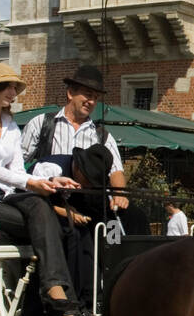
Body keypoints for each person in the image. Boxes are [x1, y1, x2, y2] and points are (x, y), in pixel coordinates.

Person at [0, 62, 84, 316]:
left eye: (15, 87)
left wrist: (49, 180)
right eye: (8, 86)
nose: (13, 92)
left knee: (51, 215)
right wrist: (34, 184)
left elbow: (16, 169)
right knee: (43, 212)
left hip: (4, 199)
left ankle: (50, 300)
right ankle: (57, 295)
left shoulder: (11, 125)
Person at [21, 64, 127, 213]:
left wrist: (119, 195)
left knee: (127, 218)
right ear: (70, 93)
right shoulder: (41, 123)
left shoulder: (102, 135)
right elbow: (17, 164)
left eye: (95, 98)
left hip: (86, 205)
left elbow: (116, 171)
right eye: (88, 95)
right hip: (50, 203)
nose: (91, 102)